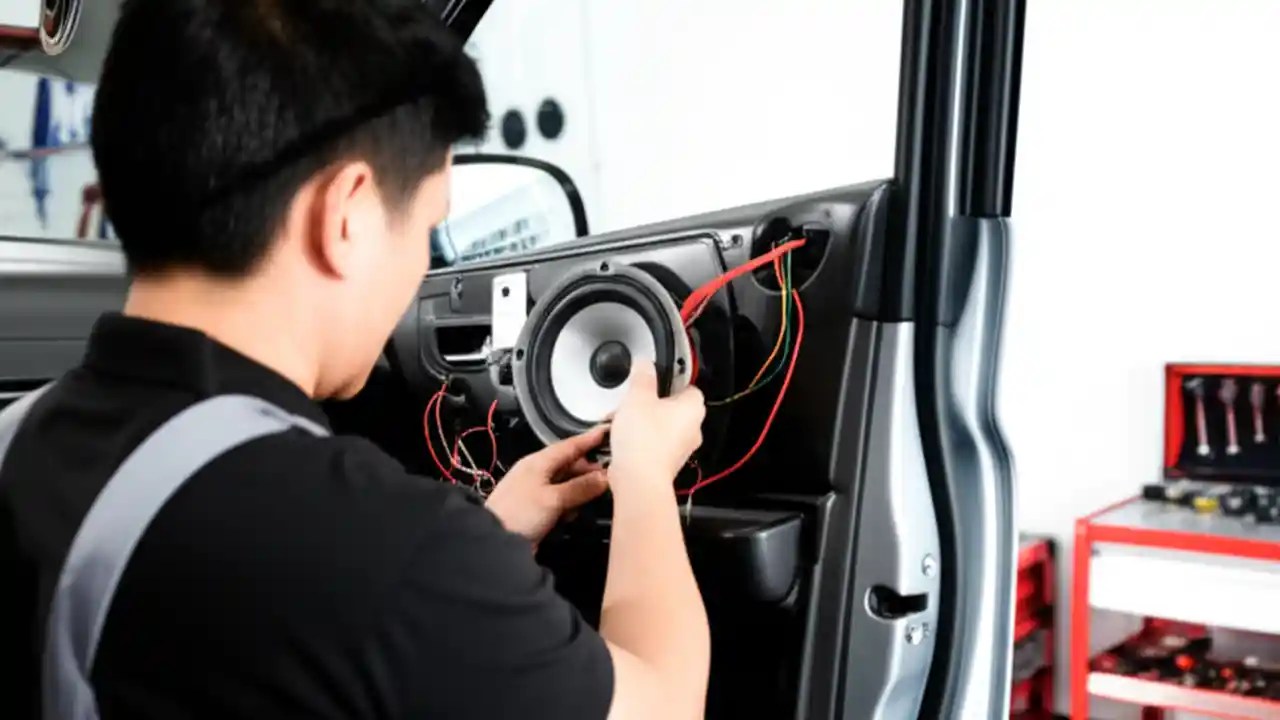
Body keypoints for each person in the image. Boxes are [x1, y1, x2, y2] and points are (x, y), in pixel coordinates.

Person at [0, 1, 710, 718]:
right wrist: (645, 476)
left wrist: (484, 542)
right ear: (346, 217)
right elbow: (664, 705)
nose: (416, 265)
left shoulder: (19, 440)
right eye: (427, 229)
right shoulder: (376, 544)